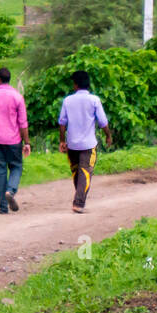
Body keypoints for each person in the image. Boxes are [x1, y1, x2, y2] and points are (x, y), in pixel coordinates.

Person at [57, 70, 113, 214]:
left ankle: (79, 198)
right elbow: (102, 121)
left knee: (77, 172)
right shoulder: (94, 100)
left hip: (72, 144)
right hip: (88, 144)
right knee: (85, 173)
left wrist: (62, 140)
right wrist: (108, 136)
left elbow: (62, 123)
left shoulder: (67, 100)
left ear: (75, 85)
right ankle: (79, 203)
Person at [0, 67, 30, 214]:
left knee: (0, 171)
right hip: (14, 141)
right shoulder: (17, 97)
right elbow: (23, 123)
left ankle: (3, 207)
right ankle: (11, 191)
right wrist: (26, 142)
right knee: (16, 167)